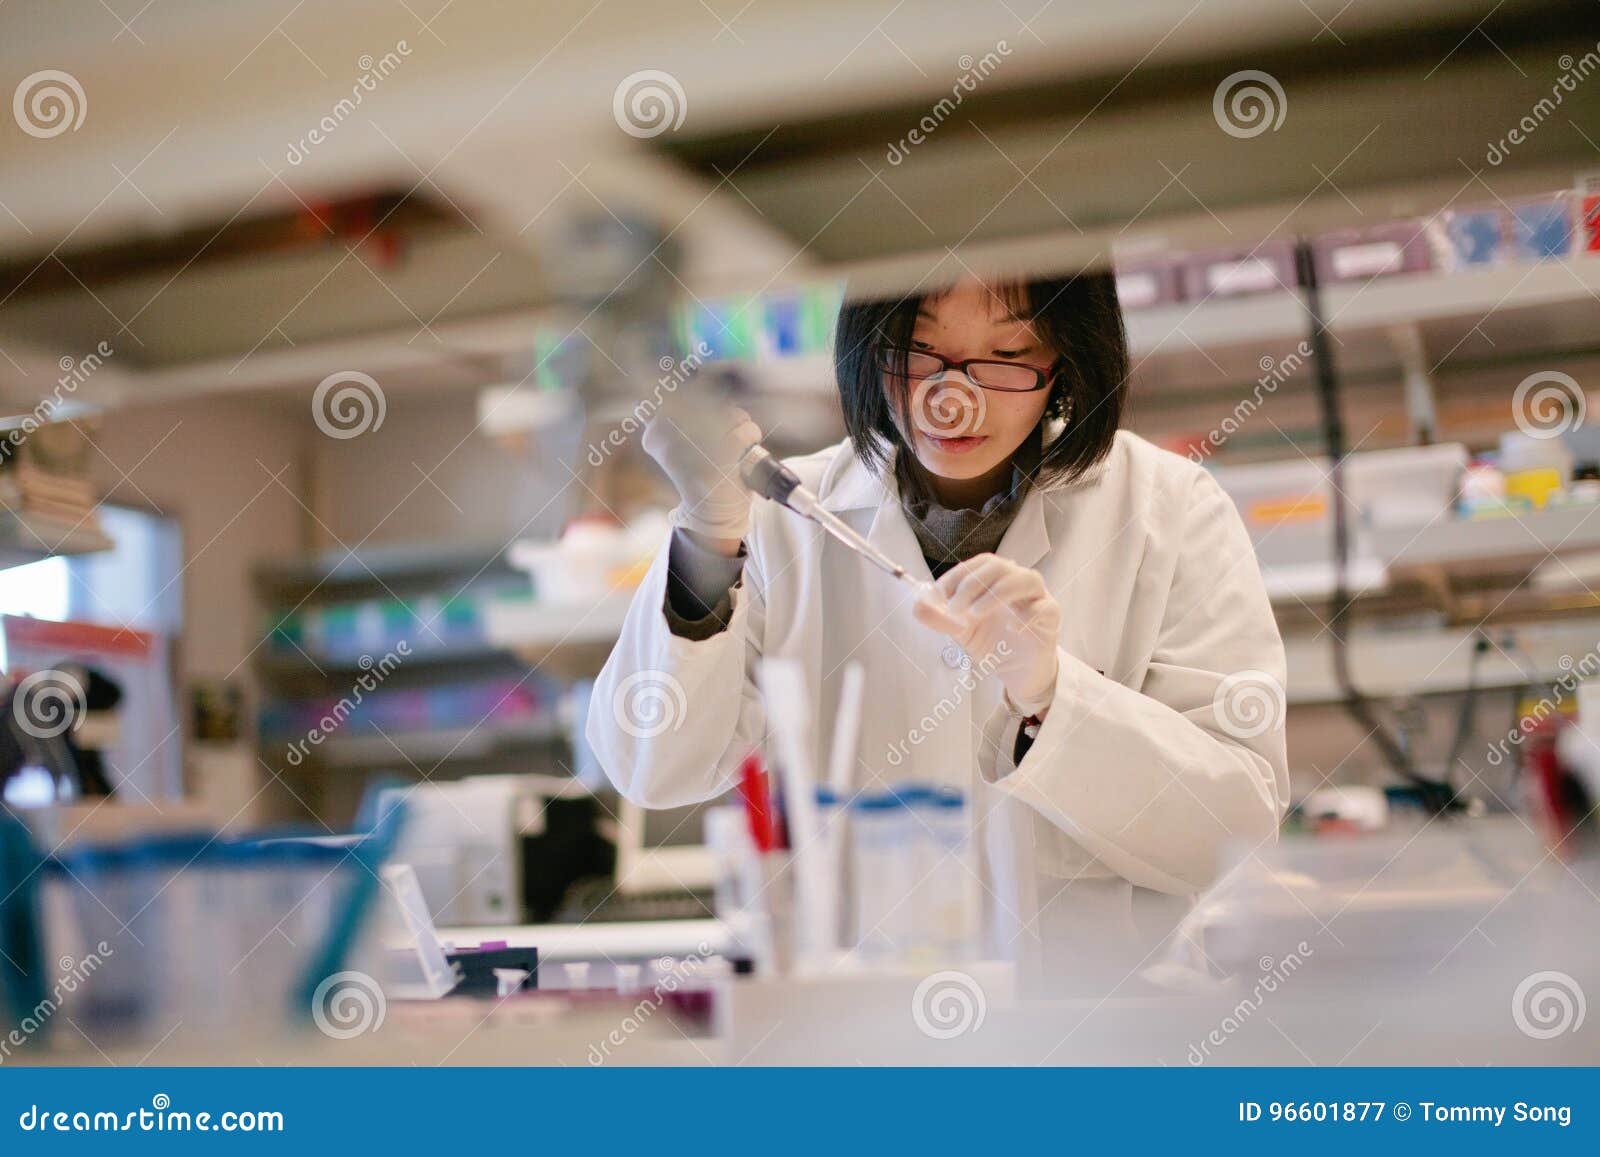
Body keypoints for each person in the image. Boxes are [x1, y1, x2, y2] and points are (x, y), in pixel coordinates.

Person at [587, 273, 1288, 982]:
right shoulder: (774, 518)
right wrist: (708, 542)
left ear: (1066, 363)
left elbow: (1233, 830)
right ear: (870, 349)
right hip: (859, 1045)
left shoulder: (1168, 509)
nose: (954, 397)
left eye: (1008, 354)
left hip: (1097, 1044)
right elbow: (655, 765)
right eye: (919, 351)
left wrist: (1053, 697)